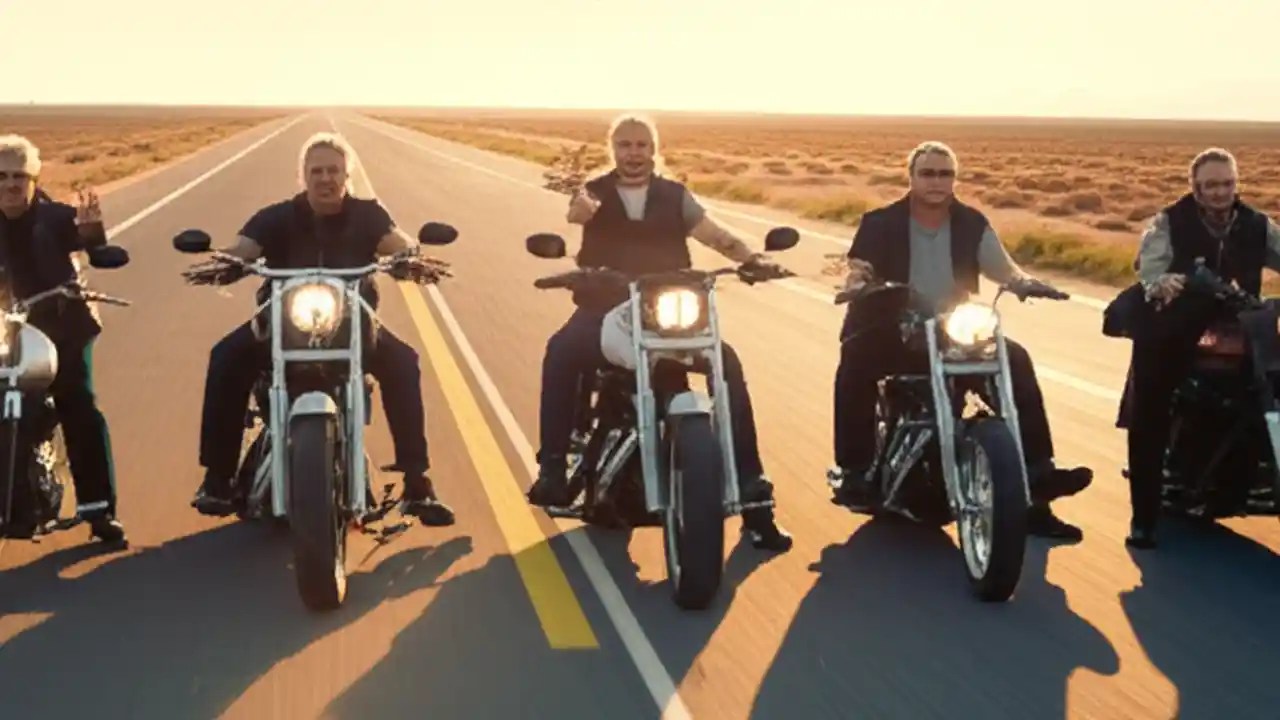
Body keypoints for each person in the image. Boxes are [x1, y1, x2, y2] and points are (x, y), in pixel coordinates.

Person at [525, 114, 793, 552]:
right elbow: (578, 213)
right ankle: (552, 467)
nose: (634, 153)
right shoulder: (594, 191)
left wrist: (751, 259)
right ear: (613, 150)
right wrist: (580, 210)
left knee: (727, 364)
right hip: (604, 305)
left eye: (642, 145)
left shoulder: (674, 196)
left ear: (654, 150)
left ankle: (753, 495)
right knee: (561, 350)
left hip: (669, 309)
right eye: (626, 145)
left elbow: (715, 235)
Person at [830, 140, 1093, 540]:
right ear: (912, 177)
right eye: (928, 173)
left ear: (955, 178)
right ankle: (854, 471)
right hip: (890, 324)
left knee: (1014, 362)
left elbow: (1003, 268)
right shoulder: (880, 222)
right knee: (855, 364)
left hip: (952, 325)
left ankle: (1038, 481)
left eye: (945, 173)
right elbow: (859, 266)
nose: (937, 181)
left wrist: (1025, 283)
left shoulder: (971, 222)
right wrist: (857, 283)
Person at [189, 132, 454, 526]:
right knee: (225, 356)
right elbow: (243, 248)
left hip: (352, 322)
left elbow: (397, 242)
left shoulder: (368, 215)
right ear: (303, 176)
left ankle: (417, 481)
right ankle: (218, 477)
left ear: (347, 175)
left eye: (333, 170)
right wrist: (224, 262)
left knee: (404, 361)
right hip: (282, 321)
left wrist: (410, 256)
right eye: (317, 171)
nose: (325, 178)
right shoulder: (276, 216)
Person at [1120, 147, 1280, 549]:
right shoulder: (1168, 223)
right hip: (1178, 326)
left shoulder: (1258, 225)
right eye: (1211, 185)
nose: (1220, 191)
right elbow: (1150, 269)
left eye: (1227, 183)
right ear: (1195, 187)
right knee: (1150, 410)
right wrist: (1162, 283)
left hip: (1242, 325)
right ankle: (1144, 519)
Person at [0, 134, 126, 545]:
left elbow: (87, 239)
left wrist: (93, 235)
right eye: (2, 176)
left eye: (20, 175)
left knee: (77, 400)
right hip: (11, 325)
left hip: (63, 322)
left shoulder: (54, 217)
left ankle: (98, 509)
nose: (11, 184)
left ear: (34, 179)